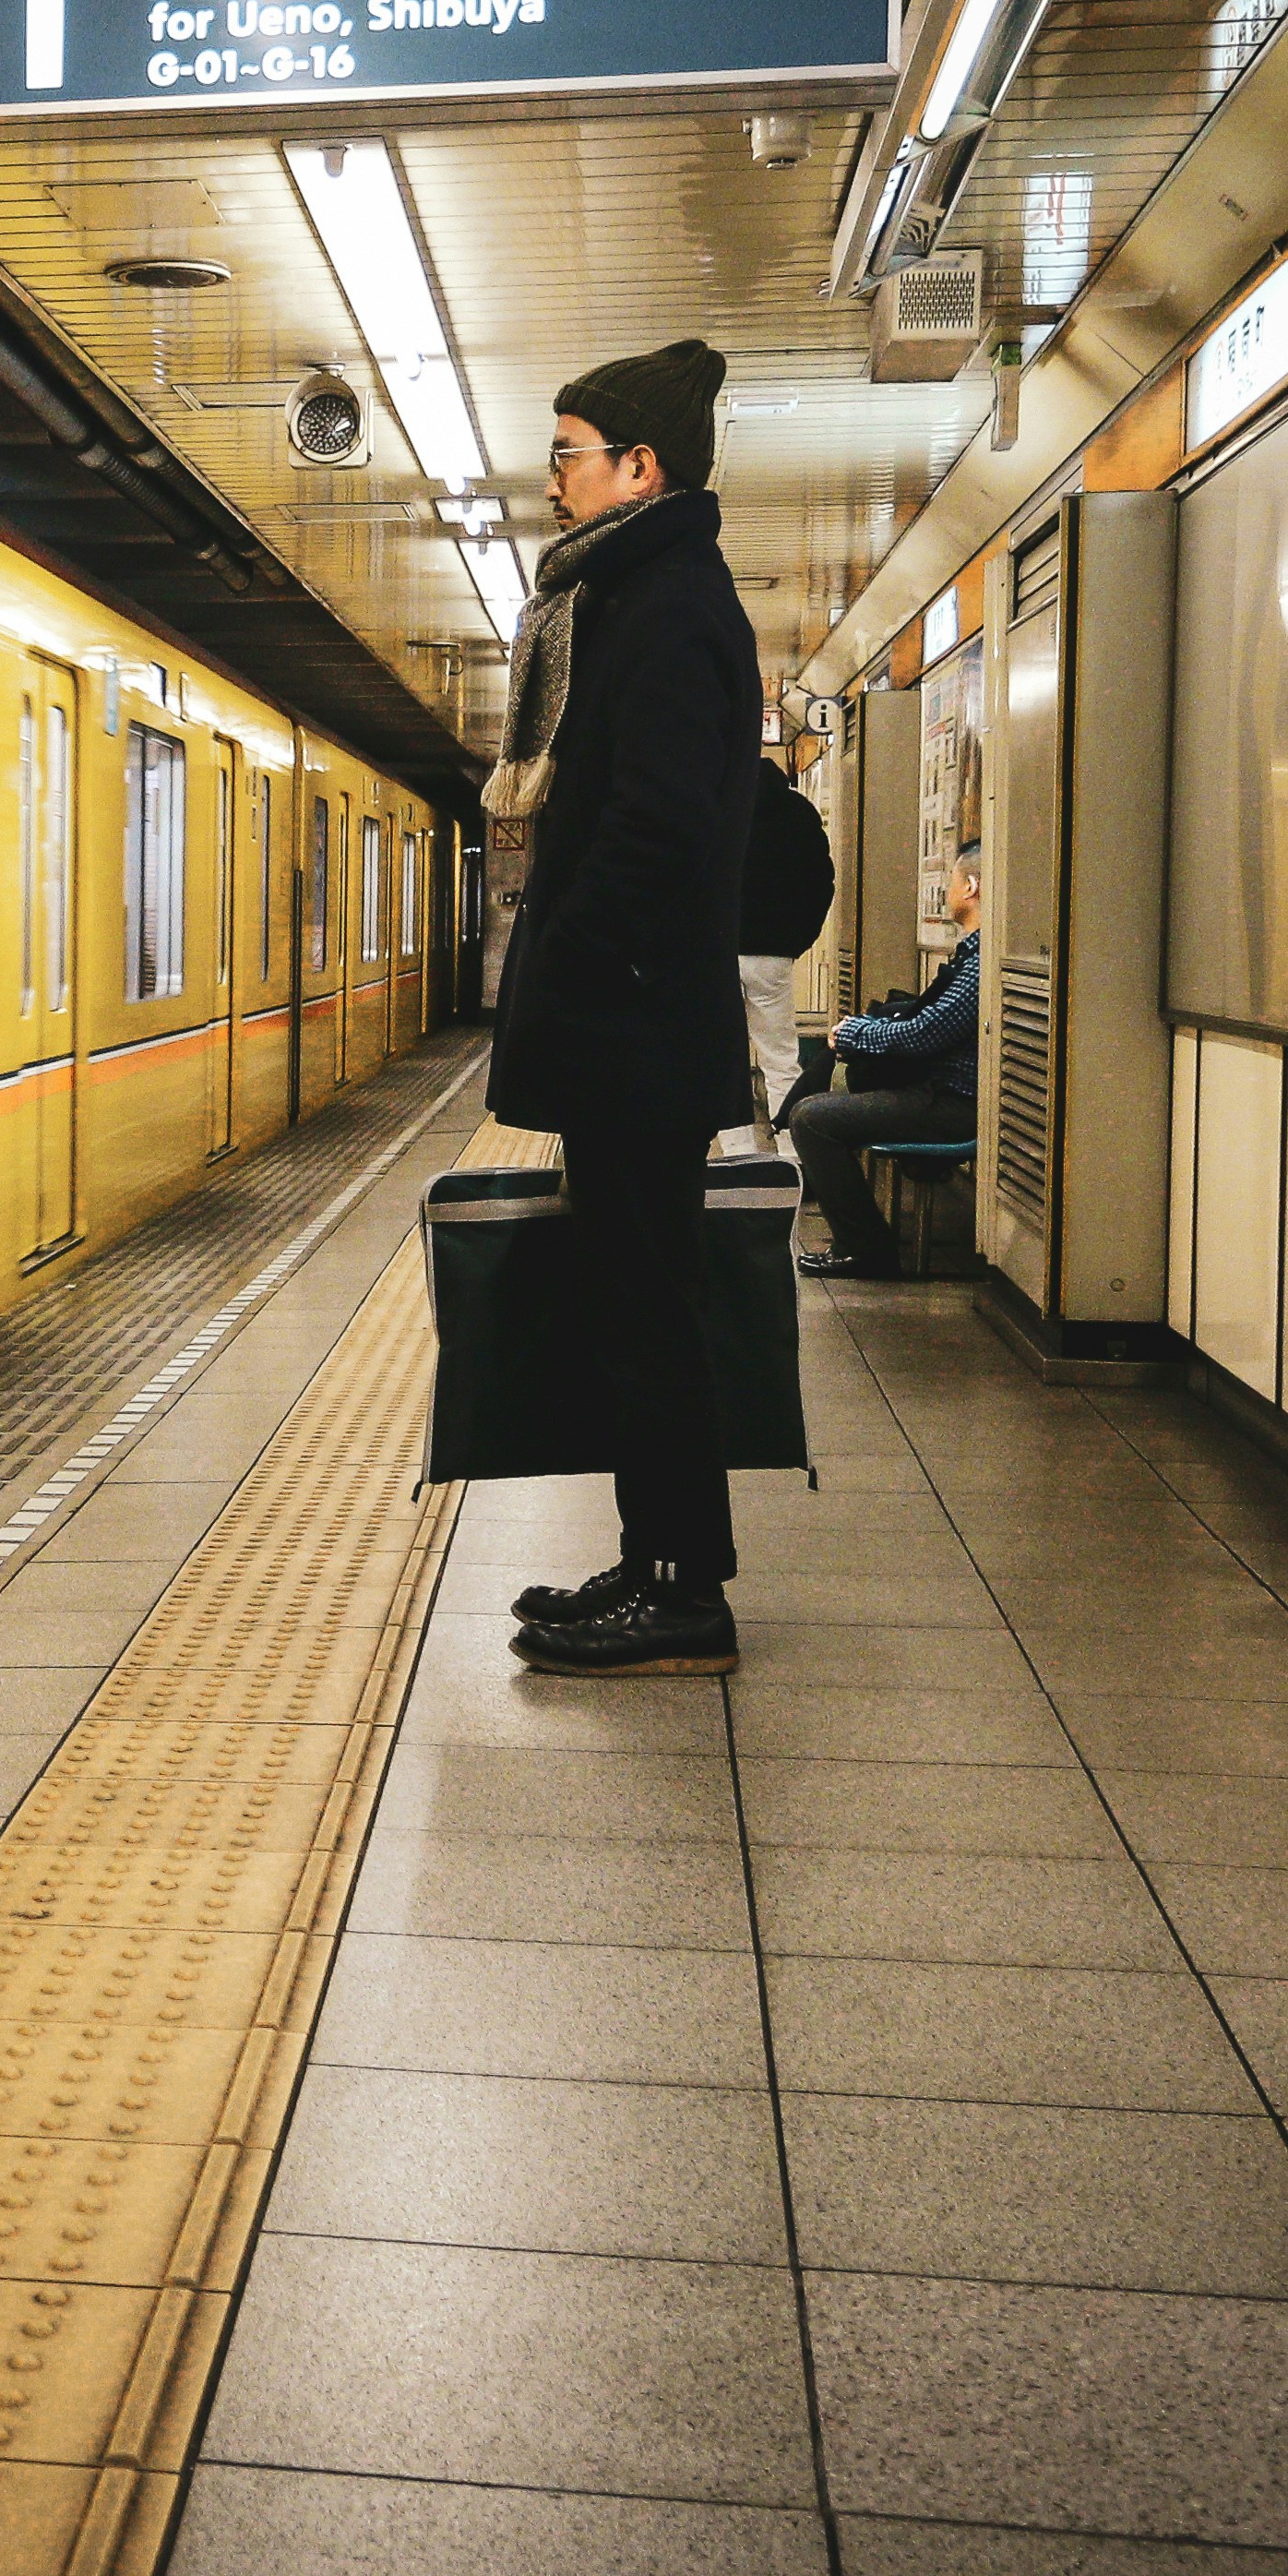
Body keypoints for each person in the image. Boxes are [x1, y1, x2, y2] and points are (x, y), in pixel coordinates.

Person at [486, 338, 762, 1680]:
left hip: (636, 1032)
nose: (551, 479)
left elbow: (652, 829)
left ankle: (681, 1592)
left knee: (649, 1315)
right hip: (636, 1029)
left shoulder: (666, 608)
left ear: (639, 466)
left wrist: (573, 961)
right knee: (636, 1307)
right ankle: (654, 1559)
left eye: (567, 455)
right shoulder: (640, 596)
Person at [788, 841, 980, 1276]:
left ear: (970, 887)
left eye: (952, 881)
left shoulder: (979, 963)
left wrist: (856, 1032)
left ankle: (864, 1247)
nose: (949, 890)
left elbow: (926, 1032)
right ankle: (862, 1241)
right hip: (939, 1091)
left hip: (952, 1103)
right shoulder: (972, 955)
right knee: (821, 1105)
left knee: (812, 1118)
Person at [728, 748, 834, 1155]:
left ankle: (738, 1157)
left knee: (724, 1061)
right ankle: (792, 1153)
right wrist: (795, 942)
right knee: (780, 1057)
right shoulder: (799, 812)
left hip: (718, 953)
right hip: (772, 956)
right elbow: (821, 884)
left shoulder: (721, 810)